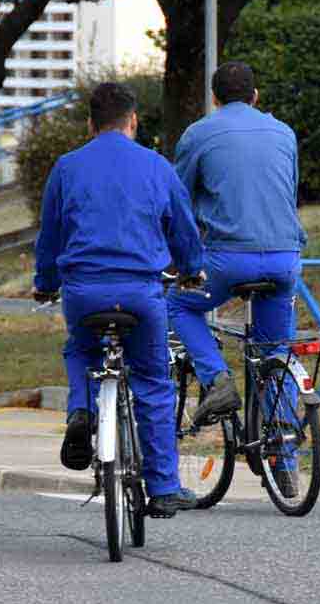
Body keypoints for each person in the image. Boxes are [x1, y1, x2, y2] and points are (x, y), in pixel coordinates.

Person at [33, 82, 206, 517]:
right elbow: (182, 227)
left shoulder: (67, 167)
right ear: (133, 121)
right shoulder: (156, 165)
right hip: (140, 291)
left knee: (81, 348)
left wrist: (45, 281)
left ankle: (81, 411)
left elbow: (50, 234)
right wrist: (191, 268)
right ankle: (164, 486)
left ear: (90, 124)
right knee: (152, 381)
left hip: (83, 291)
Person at [165, 60, 308, 493]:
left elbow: (176, 199)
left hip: (228, 260)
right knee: (274, 351)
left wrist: (177, 256)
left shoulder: (200, 134)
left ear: (214, 98)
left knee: (177, 305)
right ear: (256, 95)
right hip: (285, 258)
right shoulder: (284, 132)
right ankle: (284, 459)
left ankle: (216, 377)